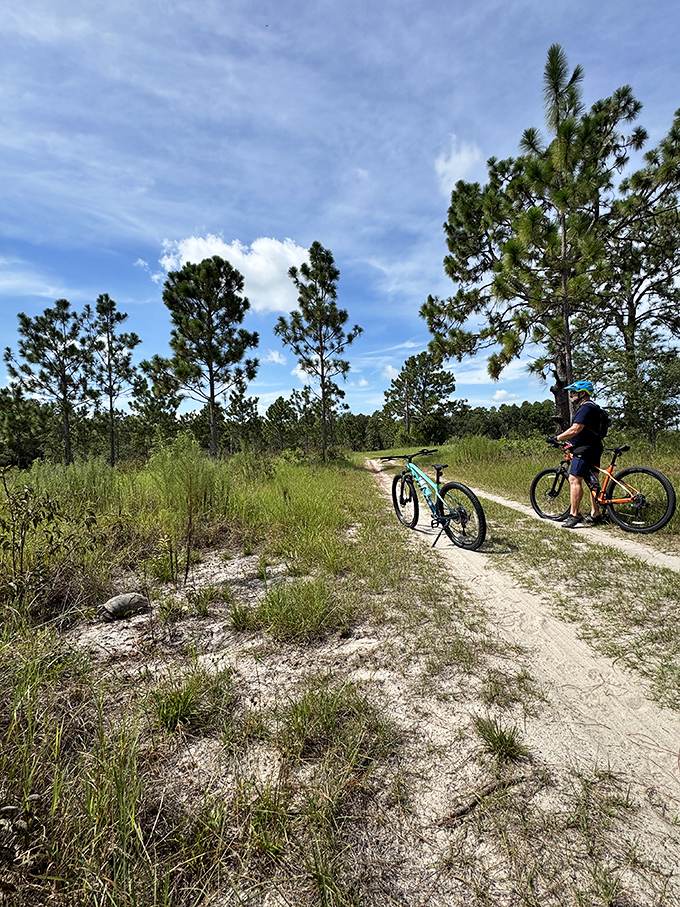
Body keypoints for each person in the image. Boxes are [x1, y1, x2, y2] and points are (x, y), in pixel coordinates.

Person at [554, 380, 606, 529]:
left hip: (584, 450)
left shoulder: (584, 408)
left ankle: (574, 515)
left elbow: (575, 429)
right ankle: (595, 514)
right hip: (595, 447)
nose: (571, 396)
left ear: (582, 394)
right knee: (593, 481)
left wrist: (557, 438)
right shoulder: (595, 407)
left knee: (574, 480)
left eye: (573, 393)